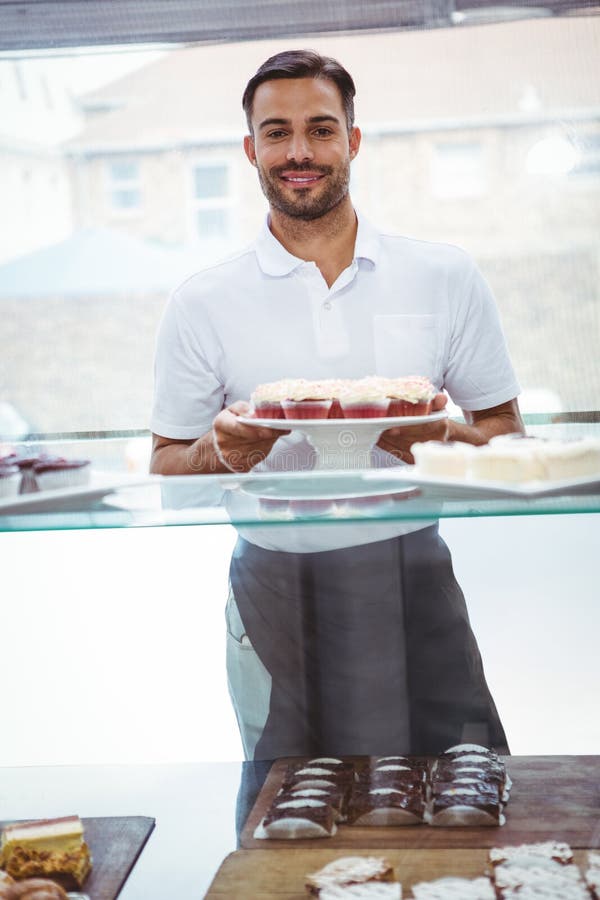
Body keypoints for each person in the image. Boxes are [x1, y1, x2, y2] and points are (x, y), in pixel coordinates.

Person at [150, 49, 524, 762]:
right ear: (250, 149)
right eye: (277, 132)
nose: (299, 152)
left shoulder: (444, 274)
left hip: (415, 575)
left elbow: (507, 435)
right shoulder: (202, 301)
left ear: (353, 140)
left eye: (321, 129)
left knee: (463, 798)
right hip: (274, 588)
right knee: (286, 815)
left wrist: (440, 440)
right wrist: (223, 449)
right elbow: (166, 463)